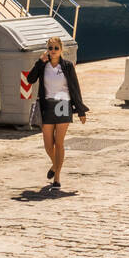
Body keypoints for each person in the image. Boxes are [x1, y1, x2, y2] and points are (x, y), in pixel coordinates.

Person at [26, 35, 88, 190]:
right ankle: (55, 165)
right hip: (47, 105)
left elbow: (75, 88)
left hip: (63, 104)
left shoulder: (67, 66)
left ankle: (57, 178)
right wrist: (40, 62)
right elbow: (30, 79)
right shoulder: (43, 65)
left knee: (59, 142)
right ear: (47, 50)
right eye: (50, 48)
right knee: (48, 145)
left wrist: (80, 111)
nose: (53, 51)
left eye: (56, 48)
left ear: (61, 50)